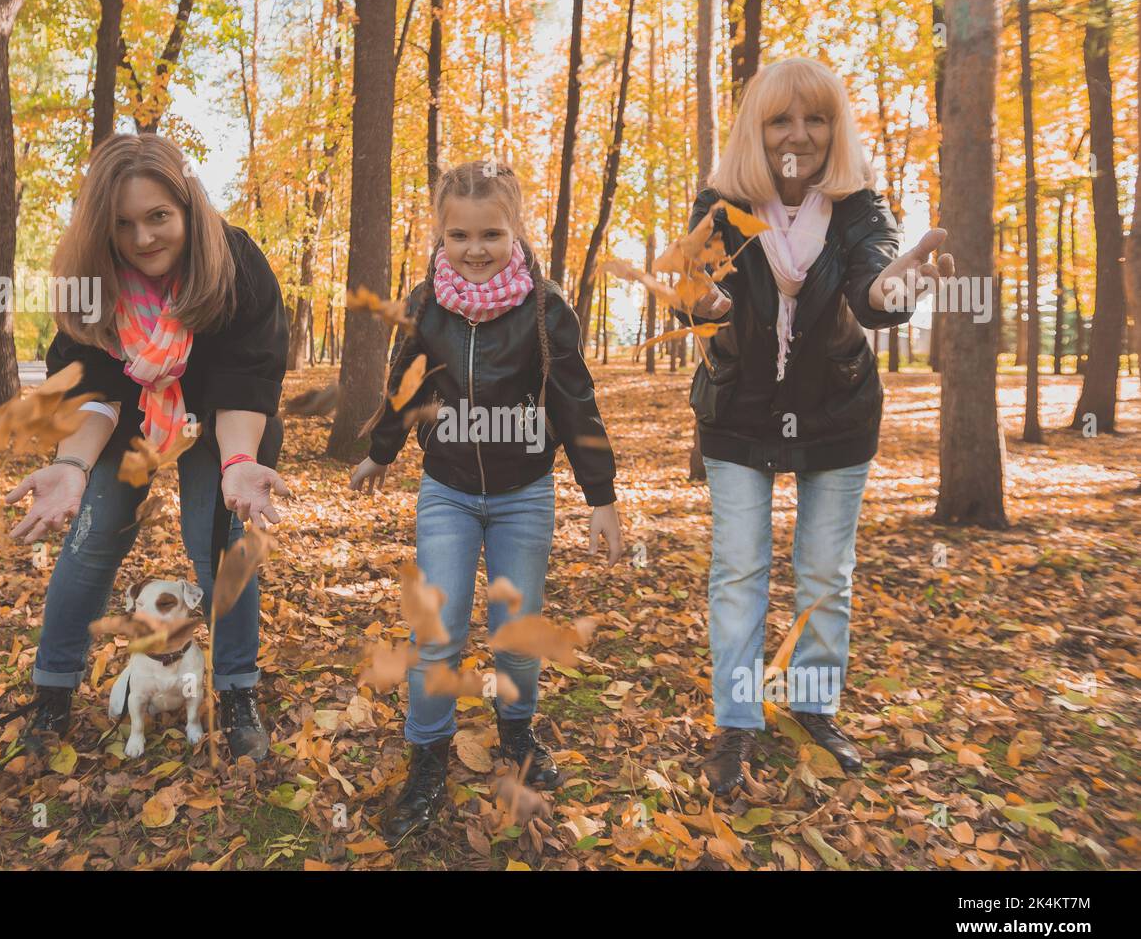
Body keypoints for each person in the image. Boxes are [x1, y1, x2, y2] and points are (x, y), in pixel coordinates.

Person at [678, 58, 954, 794]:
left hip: (837, 411)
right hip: (738, 412)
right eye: (779, 120)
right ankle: (736, 719)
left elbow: (875, 288)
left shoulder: (861, 207)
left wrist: (902, 284)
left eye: (816, 118)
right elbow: (695, 289)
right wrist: (700, 304)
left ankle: (812, 704)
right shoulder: (719, 203)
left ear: (836, 129)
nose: (798, 134)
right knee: (738, 569)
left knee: (825, 574)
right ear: (755, 130)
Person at [350, 161, 625, 845]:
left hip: (522, 495)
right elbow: (406, 383)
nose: (476, 249)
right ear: (441, 233)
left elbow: (574, 399)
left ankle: (517, 727)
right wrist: (383, 451)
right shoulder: (426, 304)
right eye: (461, 234)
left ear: (515, 230)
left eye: (492, 234)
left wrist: (600, 495)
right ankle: (428, 756)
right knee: (435, 626)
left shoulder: (543, 306)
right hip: (446, 490)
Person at [5, 133, 290, 762]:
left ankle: (238, 688)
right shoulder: (91, 279)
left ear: (187, 206)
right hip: (127, 416)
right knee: (96, 530)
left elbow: (248, 379)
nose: (143, 239)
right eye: (123, 224)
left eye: (158, 216)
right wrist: (73, 464)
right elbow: (93, 386)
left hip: (221, 416)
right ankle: (52, 692)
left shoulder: (236, 263)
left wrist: (239, 463)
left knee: (219, 541)